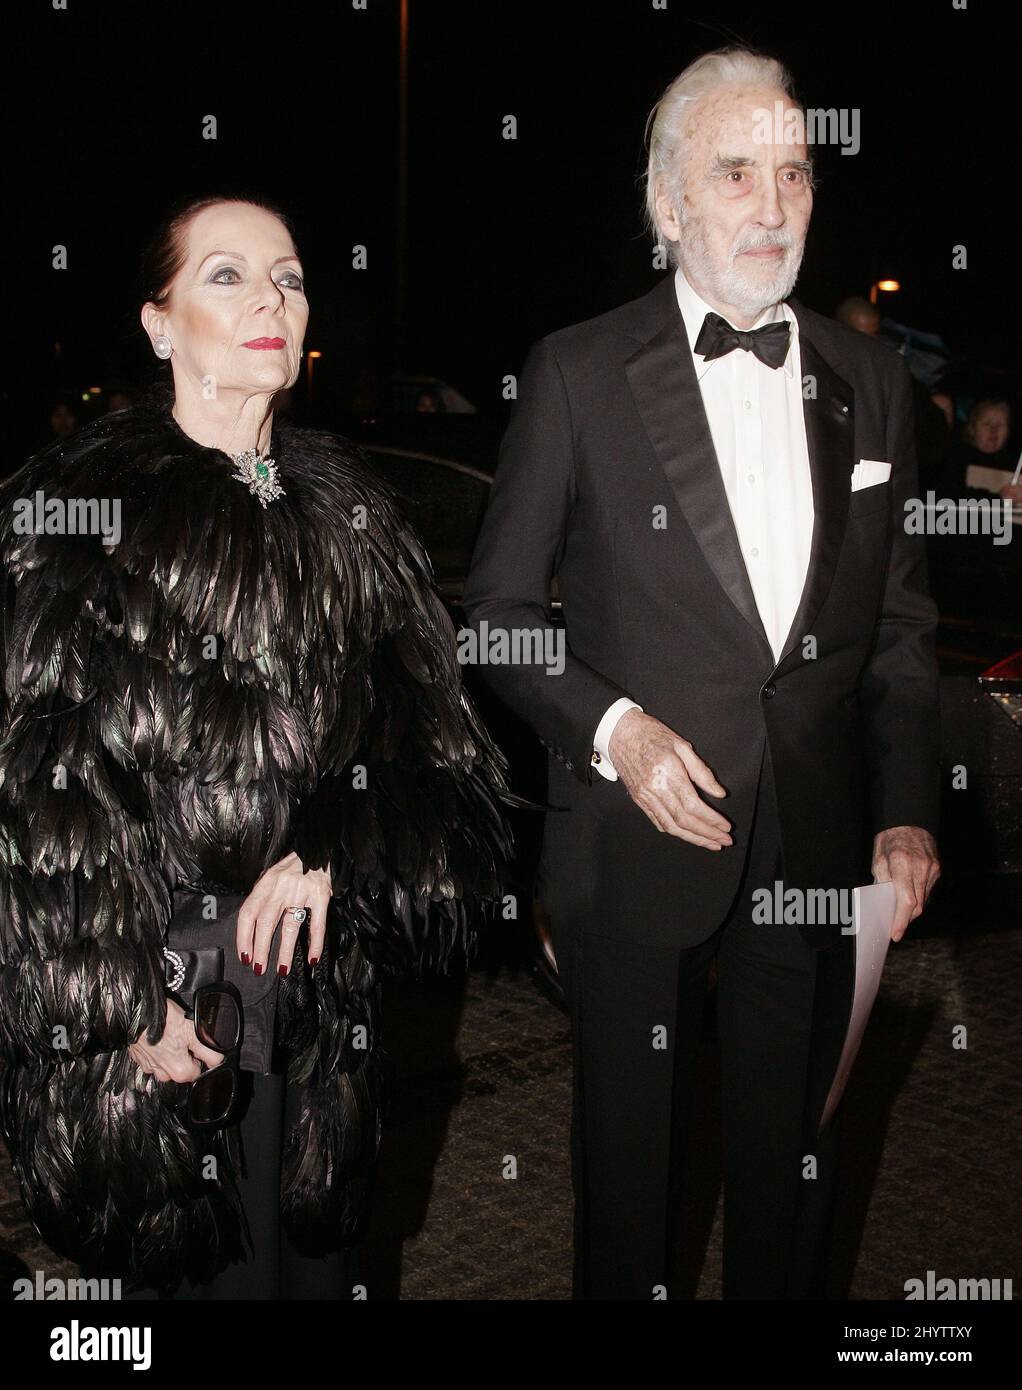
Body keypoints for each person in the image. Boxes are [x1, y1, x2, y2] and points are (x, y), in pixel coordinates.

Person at [462, 47, 942, 1300]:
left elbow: (894, 630)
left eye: (792, 171)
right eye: (734, 173)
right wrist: (612, 728)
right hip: (634, 843)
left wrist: (902, 805)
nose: (772, 204)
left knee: (795, 1171)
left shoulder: (874, 385)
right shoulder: (574, 372)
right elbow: (496, 618)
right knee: (629, 1185)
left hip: (818, 842)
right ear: (667, 207)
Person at [0, 194, 512, 1299]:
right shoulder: (73, 510)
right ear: (158, 321)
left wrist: (334, 847)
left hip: (314, 1007)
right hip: (149, 1006)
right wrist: (120, 1003)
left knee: (305, 1270)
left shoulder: (351, 517)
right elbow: (33, 795)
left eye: (286, 274)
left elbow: (435, 761)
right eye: (226, 275)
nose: (270, 298)